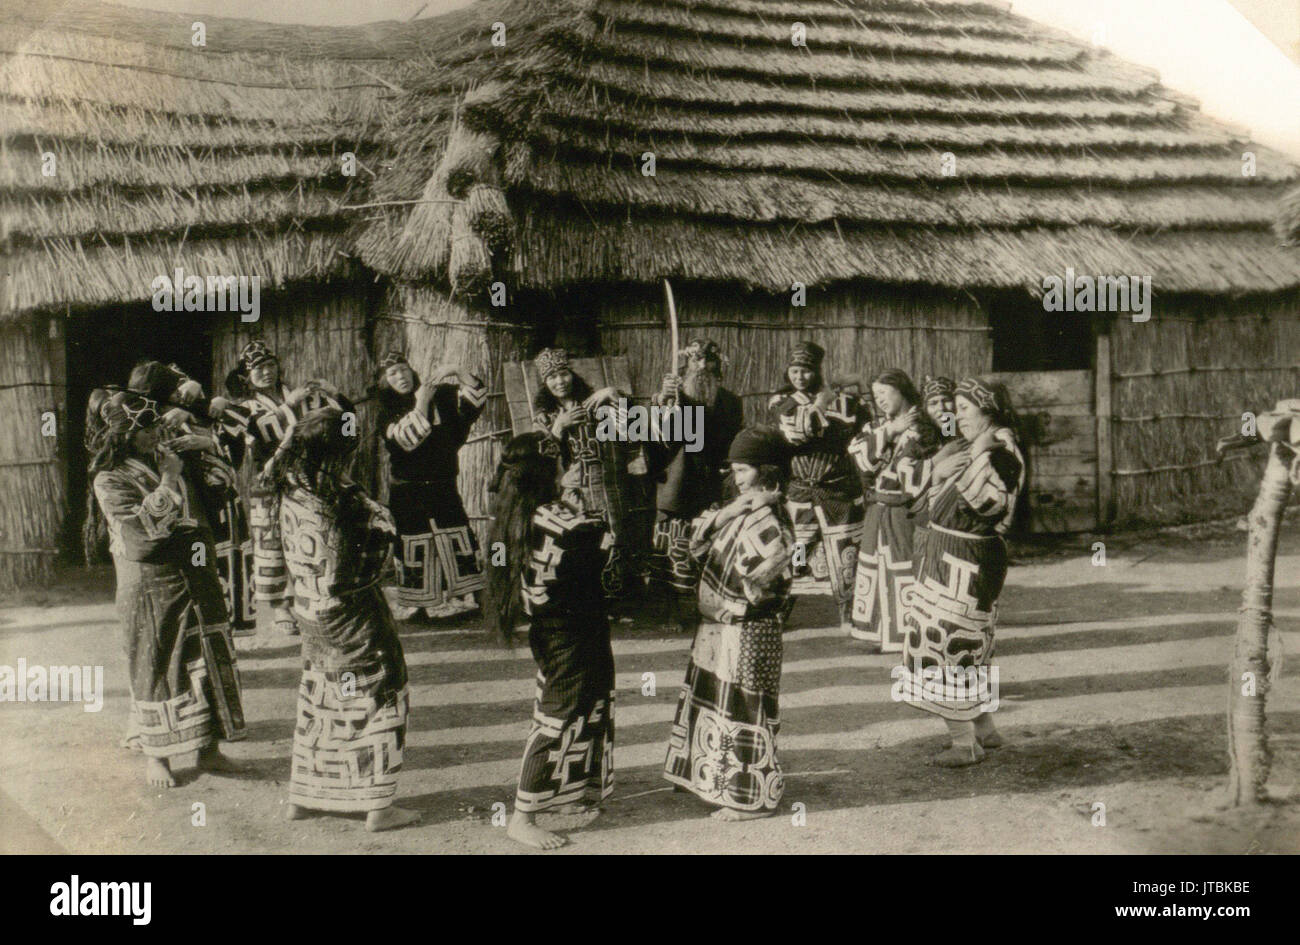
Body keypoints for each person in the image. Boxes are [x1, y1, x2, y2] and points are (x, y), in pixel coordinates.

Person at [271, 407, 421, 832]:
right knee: (383, 692)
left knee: (325, 694)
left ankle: (304, 796)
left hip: (310, 609)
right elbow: (380, 544)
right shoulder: (344, 497)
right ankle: (378, 806)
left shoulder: (292, 485)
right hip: (353, 611)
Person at [91, 391, 245, 788]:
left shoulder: (173, 457)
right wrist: (170, 478)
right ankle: (156, 755)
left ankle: (208, 747)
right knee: (158, 664)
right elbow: (141, 535)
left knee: (208, 653)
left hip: (197, 571)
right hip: (151, 585)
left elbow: (224, 488)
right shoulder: (110, 478)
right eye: (145, 430)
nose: (155, 434)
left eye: (155, 426)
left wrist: (204, 445)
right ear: (124, 436)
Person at [486, 432, 615, 850]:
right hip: (574, 630)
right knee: (560, 713)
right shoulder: (569, 522)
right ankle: (523, 816)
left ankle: (569, 790)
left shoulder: (510, 516)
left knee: (585, 702)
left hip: (548, 627)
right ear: (551, 469)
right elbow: (609, 571)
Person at [663, 427, 795, 820]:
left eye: (744, 471)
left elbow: (773, 571)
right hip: (719, 626)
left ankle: (749, 797)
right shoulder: (740, 511)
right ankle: (711, 779)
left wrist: (738, 592)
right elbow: (694, 544)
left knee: (744, 705)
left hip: (748, 628)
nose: (737, 479)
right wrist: (730, 513)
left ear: (767, 472)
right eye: (734, 470)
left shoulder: (771, 520)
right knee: (714, 700)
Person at [899, 378, 1025, 767]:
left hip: (964, 556)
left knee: (947, 644)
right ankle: (984, 728)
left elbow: (983, 503)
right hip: (956, 552)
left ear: (988, 411)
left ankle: (963, 743)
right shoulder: (984, 446)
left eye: (965, 409)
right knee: (970, 643)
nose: (957, 416)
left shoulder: (1000, 450)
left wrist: (973, 457)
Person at [225, 340, 347, 636]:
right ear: (246, 376)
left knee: (309, 535)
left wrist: (332, 394)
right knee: (273, 540)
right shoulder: (245, 406)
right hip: (269, 480)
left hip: (305, 478)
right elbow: (257, 433)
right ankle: (281, 606)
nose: (266, 372)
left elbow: (343, 423)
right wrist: (288, 406)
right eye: (258, 369)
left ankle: (314, 599)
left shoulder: (301, 395)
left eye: (270, 365)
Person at [129, 360, 256, 637]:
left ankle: (222, 632)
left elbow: (243, 424)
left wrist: (206, 439)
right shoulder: (140, 423)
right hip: (178, 504)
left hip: (211, 502)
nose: (175, 398)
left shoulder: (186, 412)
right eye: (171, 394)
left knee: (219, 566)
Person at [376, 351, 488, 621]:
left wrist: (456, 369)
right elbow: (406, 440)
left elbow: (474, 403)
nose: (400, 377)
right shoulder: (387, 412)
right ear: (384, 381)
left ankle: (471, 597)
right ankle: (419, 605)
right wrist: (422, 402)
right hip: (407, 487)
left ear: (412, 372)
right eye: (392, 374)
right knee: (413, 541)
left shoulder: (443, 396)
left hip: (442, 482)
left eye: (403, 370)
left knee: (458, 534)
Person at [768, 341, 869, 632]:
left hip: (838, 490)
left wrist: (847, 393)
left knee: (845, 553)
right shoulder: (781, 401)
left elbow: (860, 431)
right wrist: (822, 403)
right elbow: (798, 433)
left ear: (817, 372)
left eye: (806, 372)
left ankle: (848, 614)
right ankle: (780, 610)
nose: (800, 377)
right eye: (795, 370)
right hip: (800, 490)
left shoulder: (846, 403)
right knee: (796, 551)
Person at [646, 339, 744, 632]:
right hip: (676, 484)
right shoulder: (670, 399)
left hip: (711, 485)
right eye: (696, 360)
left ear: (718, 366)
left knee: (706, 546)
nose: (702, 367)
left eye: (709, 361)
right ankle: (668, 610)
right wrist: (664, 405)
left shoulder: (730, 402)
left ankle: (706, 605)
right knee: (670, 547)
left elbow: (724, 441)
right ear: (686, 365)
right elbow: (658, 441)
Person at [849, 369, 940, 652]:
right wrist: (890, 431)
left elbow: (906, 474)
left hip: (904, 511)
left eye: (884, 394)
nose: (879, 401)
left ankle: (905, 635)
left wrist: (887, 441)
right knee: (877, 569)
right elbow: (860, 463)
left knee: (903, 569)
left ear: (901, 391)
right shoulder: (883, 425)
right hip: (879, 508)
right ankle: (881, 632)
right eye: (875, 396)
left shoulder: (923, 426)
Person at [532, 347, 634, 599]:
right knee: (581, 542)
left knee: (614, 538)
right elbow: (540, 458)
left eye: (563, 374)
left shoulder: (597, 402)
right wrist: (559, 427)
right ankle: (587, 597)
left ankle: (614, 598)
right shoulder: (545, 417)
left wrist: (613, 394)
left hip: (610, 486)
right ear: (545, 383)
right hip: (573, 492)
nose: (560, 381)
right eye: (552, 377)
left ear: (572, 375)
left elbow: (633, 432)